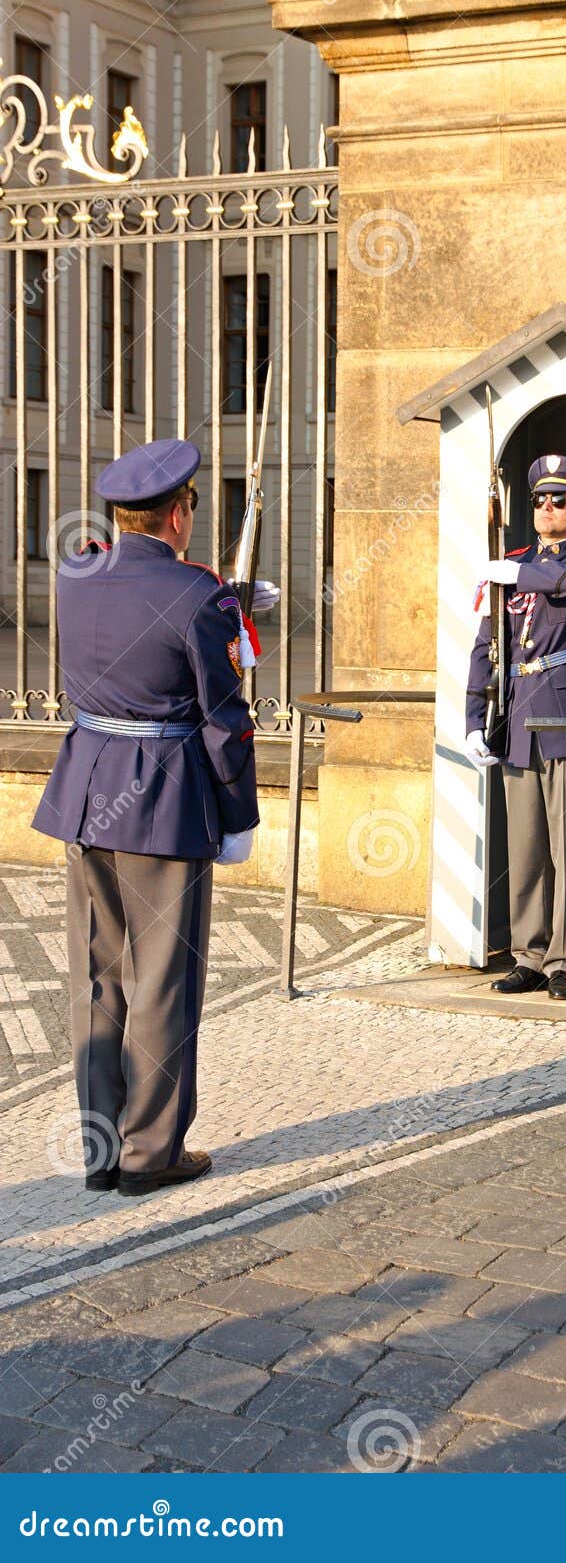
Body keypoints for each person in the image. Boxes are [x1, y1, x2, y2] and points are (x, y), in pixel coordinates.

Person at [32, 438, 275, 1196]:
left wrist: (224, 605)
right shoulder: (198, 594)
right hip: (164, 803)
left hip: (86, 789)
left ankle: (102, 1149)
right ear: (179, 513)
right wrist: (238, 813)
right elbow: (224, 718)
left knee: (99, 979)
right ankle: (150, 1154)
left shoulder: (76, 574)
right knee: (162, 980)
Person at [465, 454, 566, 1000]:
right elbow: (487, 649)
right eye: (538, 500)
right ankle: (529, 955)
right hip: (520, 717)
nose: (546, 509)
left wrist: (519, 574)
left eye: (559, 501)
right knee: (528, 848)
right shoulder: (510, 564)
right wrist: (473, 720)